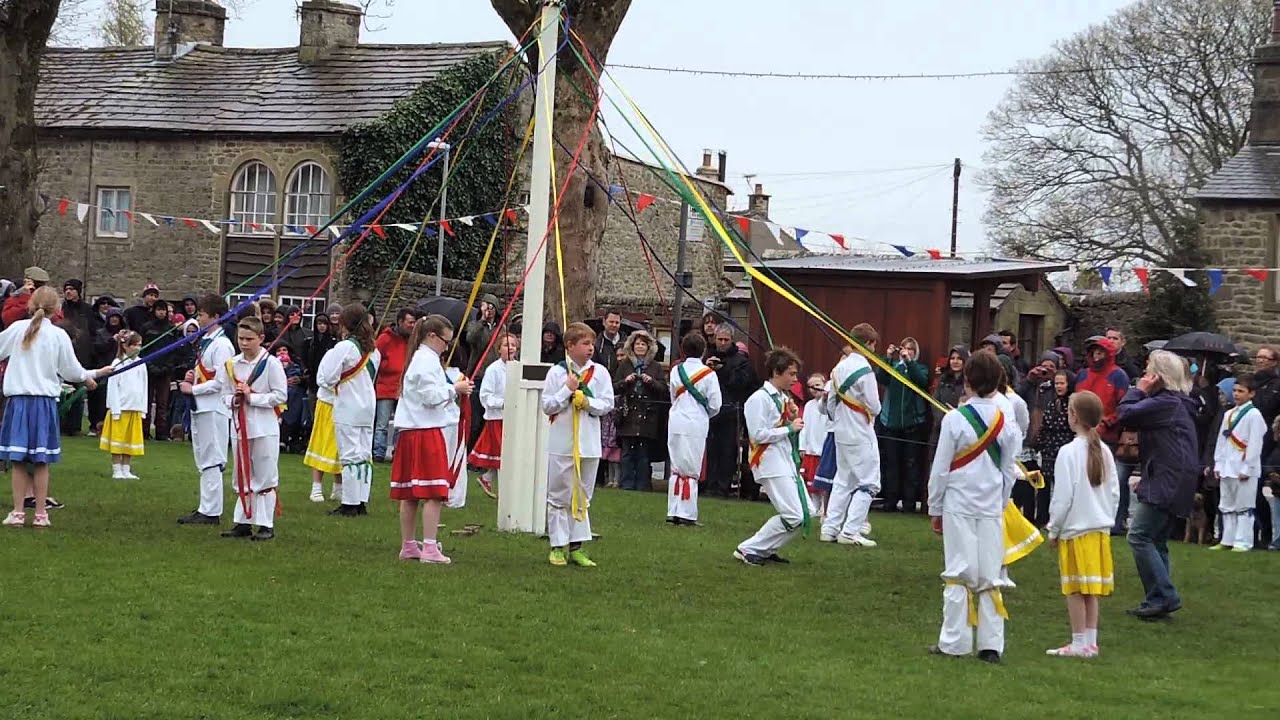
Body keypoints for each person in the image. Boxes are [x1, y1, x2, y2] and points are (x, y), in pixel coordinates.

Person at [926, 351, 1021, 663]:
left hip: (958, 503)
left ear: (966, 380)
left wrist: (934, 507)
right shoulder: (1007, 421)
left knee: (958, 571)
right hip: (991, 505)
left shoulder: (955, 419)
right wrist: (1003, 501)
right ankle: (991, 646)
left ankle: (954, 642)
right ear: (998, 383)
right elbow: (1009, 470)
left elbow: (940, 469)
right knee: (990, 573)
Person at [0, 287, 109, 528]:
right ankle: (40, 514)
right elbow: (73, 370)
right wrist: (94, 374)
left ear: (31, 306)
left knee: (19, 461)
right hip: (42, 405)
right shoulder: (55, 335)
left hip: (20, 403)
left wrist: (92, 375)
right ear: (57, 309)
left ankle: (18, 512)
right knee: (40, 461)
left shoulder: (18, 330)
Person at [1116, 350, 1198, 620]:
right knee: (1157, 539)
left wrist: (1138, 390)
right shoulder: (1176, 402)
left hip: (1167, 478)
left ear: (1158, 376)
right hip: (1175, 476)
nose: (1144, 375)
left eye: (1149, 371)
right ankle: (1157, 600)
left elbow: (1125, 416)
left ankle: (1165, 595)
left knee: (1138, 536)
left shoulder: (1166, 403)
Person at [390, 315, 473, 564]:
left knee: (411, 494)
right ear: (432, 337)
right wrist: (454, 390)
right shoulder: (426, 361)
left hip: (411, 430)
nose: (447, 347)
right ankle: (428, 546)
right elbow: (430, 396)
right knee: (434, 492)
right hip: (425, 431)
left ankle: (409, 544)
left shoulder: (420, 359)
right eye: (445, 341)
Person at [1044, 390, 1120, 658]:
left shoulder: (1069, 452)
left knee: (1075, 588)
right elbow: (1114, 493)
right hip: (1098, 530)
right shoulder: (1105, 451)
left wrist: (1054, 529)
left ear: (1074, 416)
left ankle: (1079, 642)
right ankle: (1090, 641)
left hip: (1076, 530)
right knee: (1091, 590)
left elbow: (1063, 496)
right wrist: (1105, 519)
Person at [203, 316, 287, 542]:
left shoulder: (271, 363)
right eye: (241, 338)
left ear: (261, 338)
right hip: (240, 427)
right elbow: (223, 395)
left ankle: (265, 524)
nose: (244, 343)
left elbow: (280, 396)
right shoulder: (231, 364)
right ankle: (242, 522)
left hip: (264, 427)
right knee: (241, 474)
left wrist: (253, 397)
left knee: (265, 473)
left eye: (249, 338)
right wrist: (235, 400)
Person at [541, 322, 614, 567]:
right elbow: (548, 405)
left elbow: (608, 404)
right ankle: (557, 545)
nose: (590, 348)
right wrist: (566, 391)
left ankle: (577, 546)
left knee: (582, 495)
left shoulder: (600, 373)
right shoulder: (557, 373)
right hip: (562, 443)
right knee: (559, 495)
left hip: (589, 444)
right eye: (585, 343)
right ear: (570, 346)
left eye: (592, 343)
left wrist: (588, 403)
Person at [734, 347, 810, 566]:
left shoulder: (783, 398)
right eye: (791, 374)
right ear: (777, 372)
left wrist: (792, 419)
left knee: (806, 512)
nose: (795, 379)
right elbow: (758, 434)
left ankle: (766, 549)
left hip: (785, 460)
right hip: (769, 462)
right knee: (794, 515)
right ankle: (749, 549)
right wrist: (790, 428)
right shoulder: (758, 399)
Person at [176, 295, 235, 526]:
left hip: (214, 407)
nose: (198, 318)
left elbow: (221, 382)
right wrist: (194, 374)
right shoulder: (208, 341)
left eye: (201, 314)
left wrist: (194, 389)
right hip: (202, 407)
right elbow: (207, 371)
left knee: (212, 457)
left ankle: (211, 511)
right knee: (203, 456)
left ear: (216, 317)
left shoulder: (223, 345)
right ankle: (206, 506)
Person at [316, 304, 380, 517]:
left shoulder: (344, 348)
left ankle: (350, 503)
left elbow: (327, 378)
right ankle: (361, 500)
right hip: (368, 405)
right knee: (364, 453)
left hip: (349, 405)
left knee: (350, 454)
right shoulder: (374, 350)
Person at [822, 323, 882, 547]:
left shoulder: (838, 368)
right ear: (867, 344)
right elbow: (875, 407)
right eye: (873, 345)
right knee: (870, 482)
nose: (874, 349)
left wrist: (836, 419)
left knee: (843, 480)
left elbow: (830, 402)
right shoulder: (865, 370)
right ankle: (851, 531)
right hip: (860, 430)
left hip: (840, 430)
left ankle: (829, 528)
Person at [1075, 337, 1133, 535]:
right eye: (1094, 352)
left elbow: (1124, 406)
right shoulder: (1082, 375)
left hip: (1108, 437)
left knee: (1112, 480)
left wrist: (1107, 422)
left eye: (1101, 352)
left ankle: (1117, 520)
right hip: (1083, 434)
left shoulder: (1118, 376)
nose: (1097, 356)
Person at [666, 332, 722, 526]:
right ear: (703, 350)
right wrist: (704, 413)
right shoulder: (709, 374)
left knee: (676, 466)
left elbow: (673, 395)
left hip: (676, 420)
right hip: (696, 423)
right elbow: (715, 404)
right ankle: (687, 514)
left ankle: (673, 510)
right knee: (691, 469)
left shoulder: (675, 370)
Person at [1211, 374, 1266, 552]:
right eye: (1234, 391)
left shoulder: (1254, 415)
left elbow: (1255, 443)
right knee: (1226, 505)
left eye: (1241, 391)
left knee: (1244, 506)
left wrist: (1248, 467)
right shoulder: (1228, 413)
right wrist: (1218, 464)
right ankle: (1227, 539)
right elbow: (1221, 441)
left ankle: (1243, 541)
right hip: (1228, 466)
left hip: (1243, 467)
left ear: (1251, 394)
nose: (1236, 394)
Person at [876, 335, 930, 513]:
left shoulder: (920, 368)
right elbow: (881, 377)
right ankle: (890, 500)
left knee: (911, 464)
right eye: (903, 348)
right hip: (890, 424)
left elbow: (922, 382)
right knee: (892, 463)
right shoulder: (892, 367)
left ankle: (909, 503)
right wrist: (888, 357)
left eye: (910, 349)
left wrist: (910, 362)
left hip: (912, 424)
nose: (905, 352)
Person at [705, 324, 756, 497]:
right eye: (720, 339)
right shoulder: (707, 356)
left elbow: (742, 383)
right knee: (711, 450)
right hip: (711, 411)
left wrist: (723, 370)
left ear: (732, 340)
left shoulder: (740, 360)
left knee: (727, 450)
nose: (723, 343)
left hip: (731, 411)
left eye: (726, 340)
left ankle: (723, 485)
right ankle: (709, 483)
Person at [613, 330, 667, 491]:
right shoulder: (625, 365)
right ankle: (627, 484)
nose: (640, 347)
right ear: (632, 346)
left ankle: (643, 484)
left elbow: (663, 389)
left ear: (649, 347)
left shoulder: (655, 367)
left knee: (644, 454)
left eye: (643, 344)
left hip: (648, 415)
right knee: (627, 452)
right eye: (637, 344)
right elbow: (615, 386)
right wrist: (625, 381)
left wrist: (651, 382)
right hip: (627, 414)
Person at [469, 332, 517, 499]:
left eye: (513, 345)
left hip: (514, 419)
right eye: (506, 345)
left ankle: (488, 478)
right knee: (502, 455)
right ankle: (504, 490)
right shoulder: (493, 370)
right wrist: (503, 403)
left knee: (510, 454)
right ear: (499, 349)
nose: (510, 348)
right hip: (497, 417)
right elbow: (485, 395)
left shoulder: (518, 368)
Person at [1028, 370, 1075, 527]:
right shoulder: (1051, 403)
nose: (1059, 386)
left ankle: (1061, 519)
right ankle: (1042, 517)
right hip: (1048, 448)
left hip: (1064, 448)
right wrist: (1039, 444)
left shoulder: (1072, 404)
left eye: (1062, 383)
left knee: (1062, 486)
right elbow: (1044, 425)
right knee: (1044, 486)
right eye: (1057, 383)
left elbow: (1070, 426)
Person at [101, 331, 148, 480]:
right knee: (118, 440)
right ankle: (117, 469)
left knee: (129, 440)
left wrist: (143, 408)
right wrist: (115, 409)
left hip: (134, 407)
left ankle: (127, 469)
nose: (137, 348)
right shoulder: (117, 363)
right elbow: (113, 387)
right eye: (133, 345)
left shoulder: (141, 363)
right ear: (125, 346)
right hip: (120, 408)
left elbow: (144, 385)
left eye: (139, 345)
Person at [373, 308, 417, 462]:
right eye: (410, 322)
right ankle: (378, 452)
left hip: (403, 388)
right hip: (385, 386)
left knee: (400, 423)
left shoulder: (412, 341)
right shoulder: (385, 339)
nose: (412, 325)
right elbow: (375, 360)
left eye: (414, 322)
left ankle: (398, 452)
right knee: (382, 424)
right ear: (400, 322)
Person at [140, 300, 174, 441]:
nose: (161, 312)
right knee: (145, 402)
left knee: (163, 403)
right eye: (158, 309)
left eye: (163, 310)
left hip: (165, 371)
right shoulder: (146, 328)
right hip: (149, 370)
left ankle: (161, 432)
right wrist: (150, 365)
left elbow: (174, 350)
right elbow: (142, 349)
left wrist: (166, 367)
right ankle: (144, 431)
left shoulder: (171, 329)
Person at [799, 372, 829, 517]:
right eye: (811, 386)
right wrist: (802, 445)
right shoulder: (809, 406)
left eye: (817, 385)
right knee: (810, 480)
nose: (814, 389)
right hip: (811, 449)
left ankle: (824, 507)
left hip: (823, 448)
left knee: (822, 480)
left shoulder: (826, 404)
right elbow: (804, 427)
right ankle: (814, 506)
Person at [592, 308, 627, 376]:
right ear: (604, 322)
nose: (614, 325)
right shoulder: (596, 345)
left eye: (617, 322)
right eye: (611, 322)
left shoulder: (628, 343)